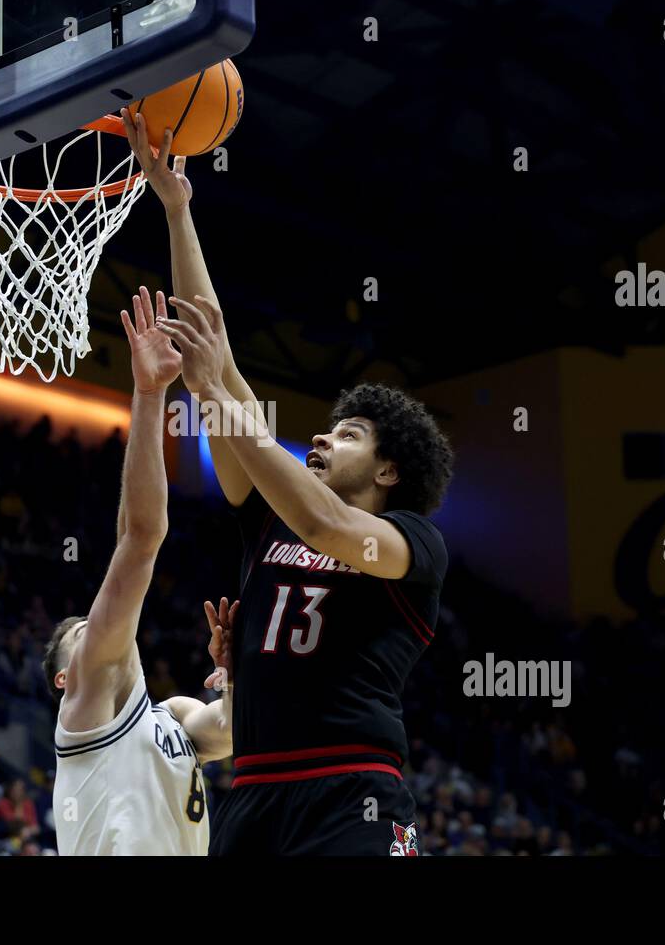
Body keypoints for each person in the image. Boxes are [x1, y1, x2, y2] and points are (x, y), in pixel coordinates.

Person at [123, 107, 455, 855]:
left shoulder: (412, 546)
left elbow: (327, 529)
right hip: (253, 793)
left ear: (389, 469)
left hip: (351, 791)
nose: (321, 439)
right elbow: (220, 355)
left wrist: (212, 394)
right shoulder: (269, 519)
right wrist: (176, 211)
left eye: (348, 434)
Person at [42, 287, 233, 855]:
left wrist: (237, 670)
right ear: (64, 680)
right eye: (85, 632)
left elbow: (238, 731)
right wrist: (150, 395)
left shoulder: (173, 716)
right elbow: (140, 538)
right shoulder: (85, 708)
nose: (102, 627)